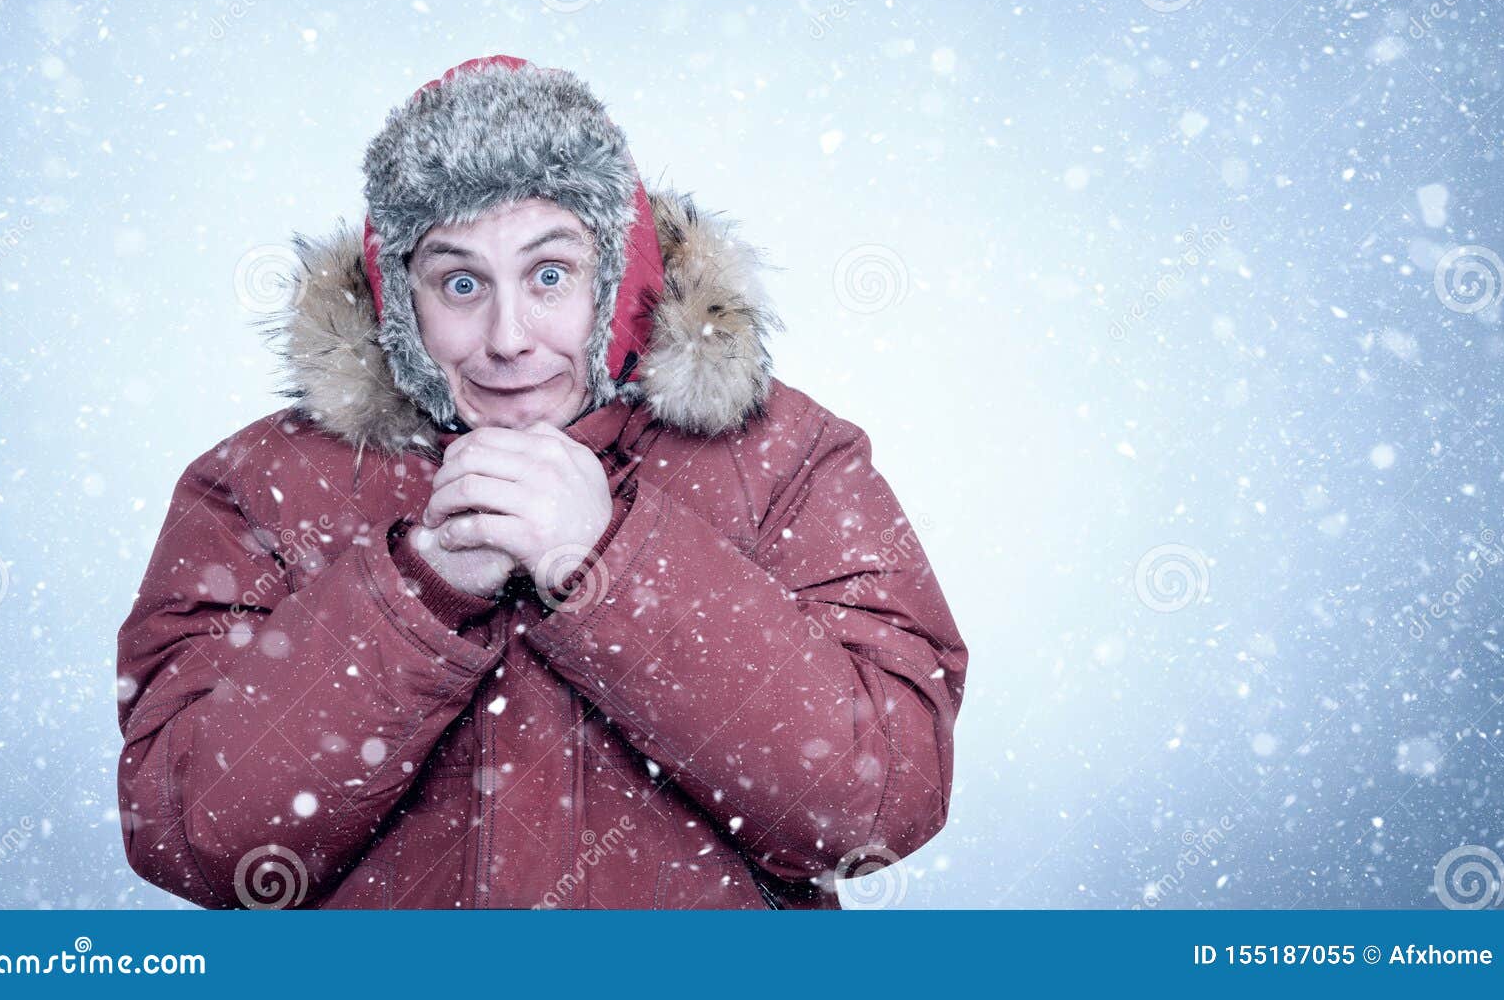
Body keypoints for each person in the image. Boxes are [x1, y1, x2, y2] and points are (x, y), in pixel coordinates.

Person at [115, 54, 968, 909]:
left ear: (619, 275)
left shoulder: (784, 457)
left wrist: (607, 560)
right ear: (400, 302)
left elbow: (879, 805)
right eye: (459, 283)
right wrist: (418, 592)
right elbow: (193, 835)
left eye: (549, 274)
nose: (508, 336)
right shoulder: (264, 486)